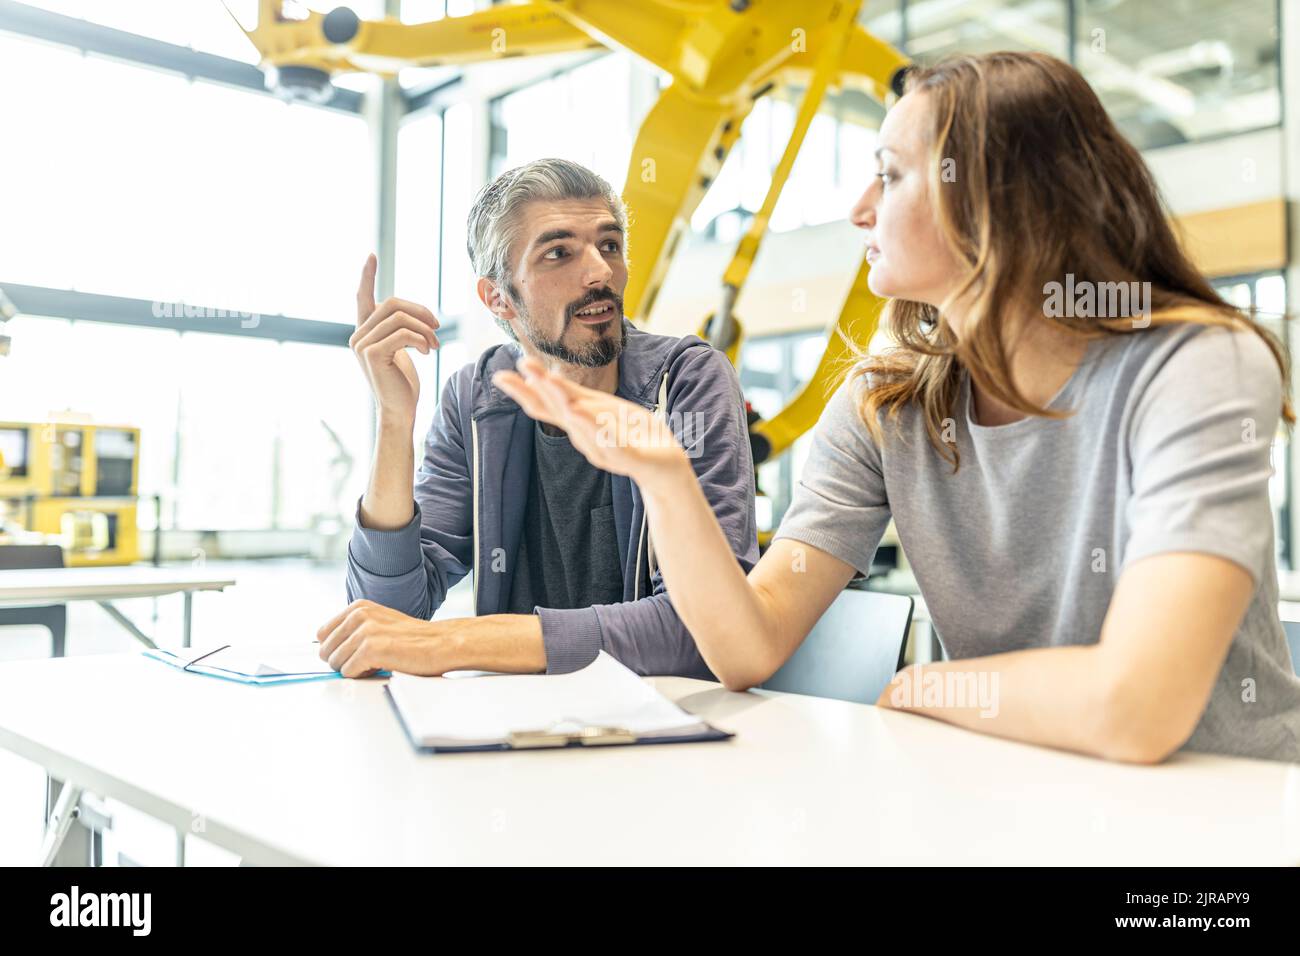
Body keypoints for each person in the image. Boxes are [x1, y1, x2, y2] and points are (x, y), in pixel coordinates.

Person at [494, 52, 1300, 764]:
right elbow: (746, 647)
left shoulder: (1194, 367)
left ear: (995, 197)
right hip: (1025, 794)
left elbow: (1138, 705)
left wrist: (929, 689)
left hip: (1228, 812)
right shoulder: (887, 401)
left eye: (890, 173)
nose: (859, 208)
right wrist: (665, 478)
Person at [319, 158, 758, 679]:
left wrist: (455, 641)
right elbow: (388, 615)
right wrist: (394, 420)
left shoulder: (684, 380)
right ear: (498, 298)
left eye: (610, 246)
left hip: (667, 726)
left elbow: (703, 631)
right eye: (558, 253)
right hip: (521, 728)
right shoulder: (476, 399)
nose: (600, 272)